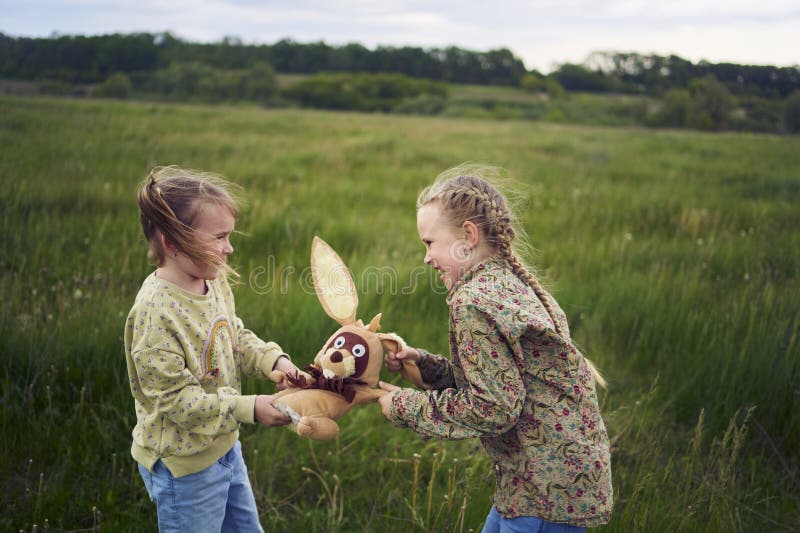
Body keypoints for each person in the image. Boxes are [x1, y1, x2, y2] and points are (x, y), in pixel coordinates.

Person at [378, 164, 613, 532]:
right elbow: (501, 381)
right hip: (543, 483)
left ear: (468, 235)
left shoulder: (472, 300)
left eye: (429, 243)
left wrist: (404, 406)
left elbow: (493, 408)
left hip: (544, 495)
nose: (426, 257)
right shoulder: (507, 283)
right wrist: (425, 366)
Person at [124, 166, 300, 532]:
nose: (229, 247)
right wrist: (250, 408)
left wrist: (274, 361)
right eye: (219, 237)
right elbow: (175, 402)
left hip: (224, 446)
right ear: (171, 242)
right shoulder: (155, 313)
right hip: (183, 467)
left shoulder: (213, 281)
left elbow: (232, 336)